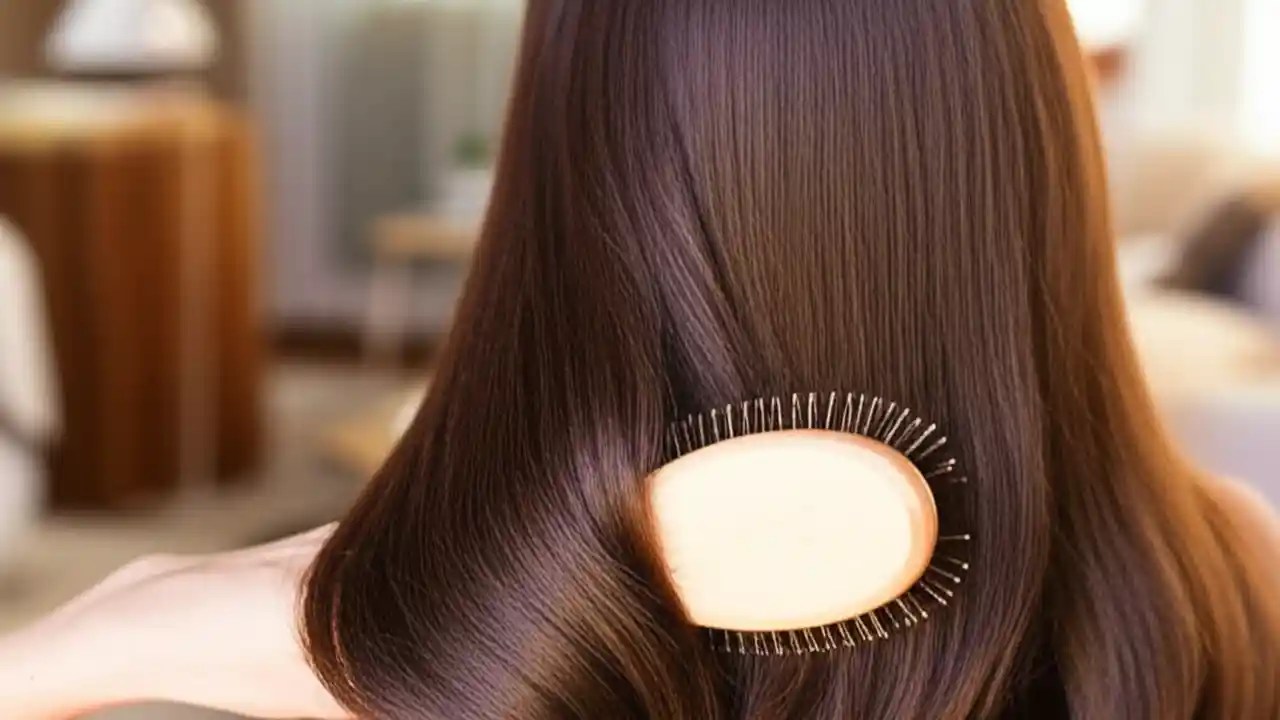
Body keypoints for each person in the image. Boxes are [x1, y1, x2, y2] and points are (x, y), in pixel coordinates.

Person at [2, 1, 1278, 718]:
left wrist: (118, 630)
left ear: (569, 180)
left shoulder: (385, 655)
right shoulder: (1228, 566)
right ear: (1036, 168)